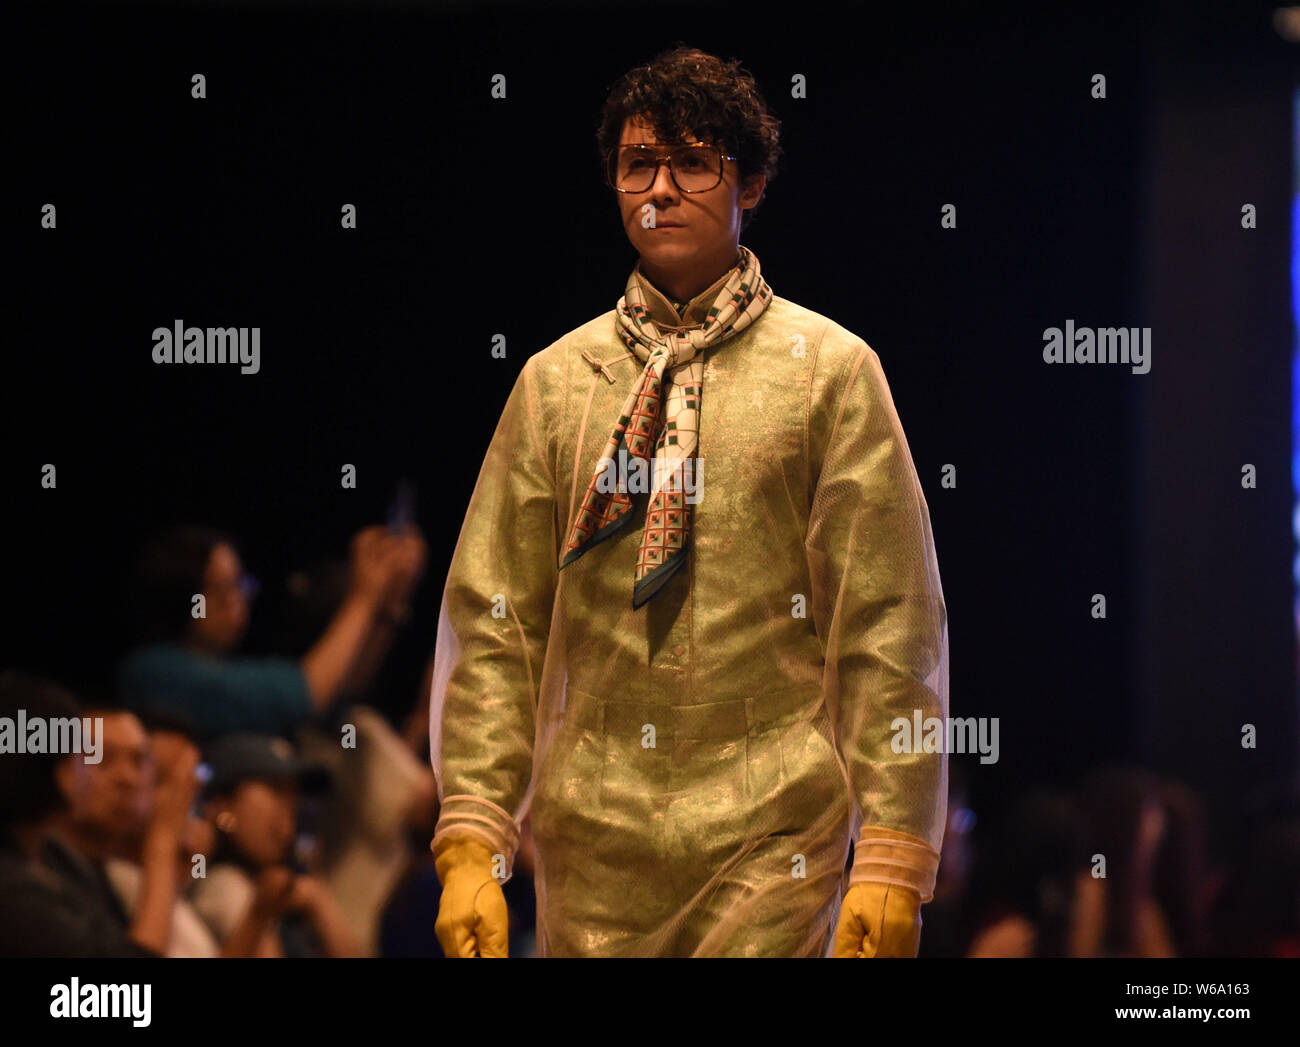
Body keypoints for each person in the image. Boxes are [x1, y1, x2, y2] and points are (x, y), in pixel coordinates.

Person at [428, 45, 948, 957]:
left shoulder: (829, 372)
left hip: (776, 830)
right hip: (589, 834)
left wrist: (894, 850)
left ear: (746, 181)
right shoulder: (557, 382)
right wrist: (473, 836)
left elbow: (886, 621)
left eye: (694, 162)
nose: (661, 188)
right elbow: (496, 620)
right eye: (639, 165)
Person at [117, 522, 425, 741]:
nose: (235, 600)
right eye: (219, 588)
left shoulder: (221, 664)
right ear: (181, 595)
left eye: (239, 585)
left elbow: (344, 687)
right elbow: (306, 696)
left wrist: (391, 601)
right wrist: (364, 596)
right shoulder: (156, 671)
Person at [0, 674, 182, 957]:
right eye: (93, 757)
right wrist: (163, 841)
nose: (128, 779)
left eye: (139, 761)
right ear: (60, 773)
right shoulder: (16, 892)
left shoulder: (54, 856)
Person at [191, 733, 361, 957]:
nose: (289, 808)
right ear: (224, 804)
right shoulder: (223, 883)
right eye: (276, 790)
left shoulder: (288, 888)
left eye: (294, 796)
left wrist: (316, 897)